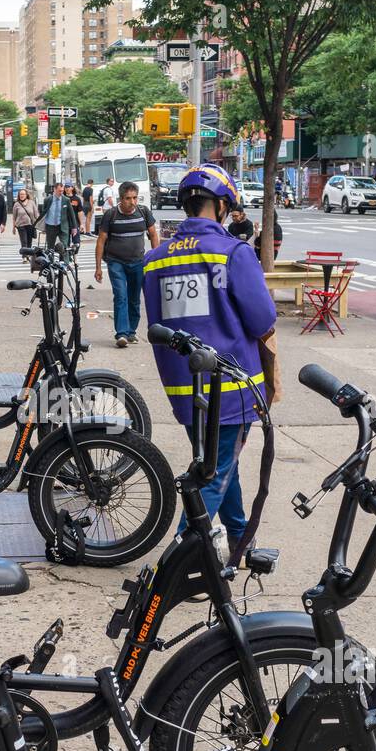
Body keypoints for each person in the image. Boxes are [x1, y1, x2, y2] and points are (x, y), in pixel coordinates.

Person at [143, 162, 280, 548]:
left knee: (219, 468)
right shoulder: (231, 252)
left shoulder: (156, 261)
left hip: (185, 392)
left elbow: (158, 327)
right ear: (221, 206)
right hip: (232, 389)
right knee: (216, 474)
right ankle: (180, 558)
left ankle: (240, 540)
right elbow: (263, 319)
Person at [95, 180, 159, 347]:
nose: (132, 202)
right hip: (116, 262)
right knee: (121, 296)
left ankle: (131, 332)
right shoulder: (111, 215)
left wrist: (156, 259)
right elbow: (101, 241)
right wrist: (98, 268)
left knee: (134, 299)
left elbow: (153, 235)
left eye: (135, 198)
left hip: (138, 262)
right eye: (128, 198)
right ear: (121, 199)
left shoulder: (143, 212)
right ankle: (121, 334)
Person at [37, 181, 72, 250]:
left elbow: (71, 214)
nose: (61, 192)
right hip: (50, 226)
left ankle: (64, 261)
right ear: (54, 189)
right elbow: (44, 214)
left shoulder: (66, 200)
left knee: (64, 247)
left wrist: (74, 227)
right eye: (59, 191)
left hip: (62, 226)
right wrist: (43, 227)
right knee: (50, 247)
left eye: (62, 191)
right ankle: (50, 260)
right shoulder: (47, 200)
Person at [12, 188, 39, 258]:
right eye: (20, 194)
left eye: (23, 194)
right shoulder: (16, 204)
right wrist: (13, 227)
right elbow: (14, 217)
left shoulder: (31, 202)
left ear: (26, 195)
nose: (22, 195)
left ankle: (28, 255)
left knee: (29, 241)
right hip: (20, 225)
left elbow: (36, 214)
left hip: (30, 225)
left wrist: (39, 224)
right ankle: (24, 256)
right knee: (24, 241)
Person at [64, 181, 84, 249]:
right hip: (65, 224)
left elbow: (80, 212)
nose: (67, 188)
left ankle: (75, 257)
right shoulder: (62, 198)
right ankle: (67, 257)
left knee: (76, 243)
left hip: (75, 223)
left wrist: (81, 224)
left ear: (72, 188)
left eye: (68, 187)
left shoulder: (77, 199)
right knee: (65, 243)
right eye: (65, 187)